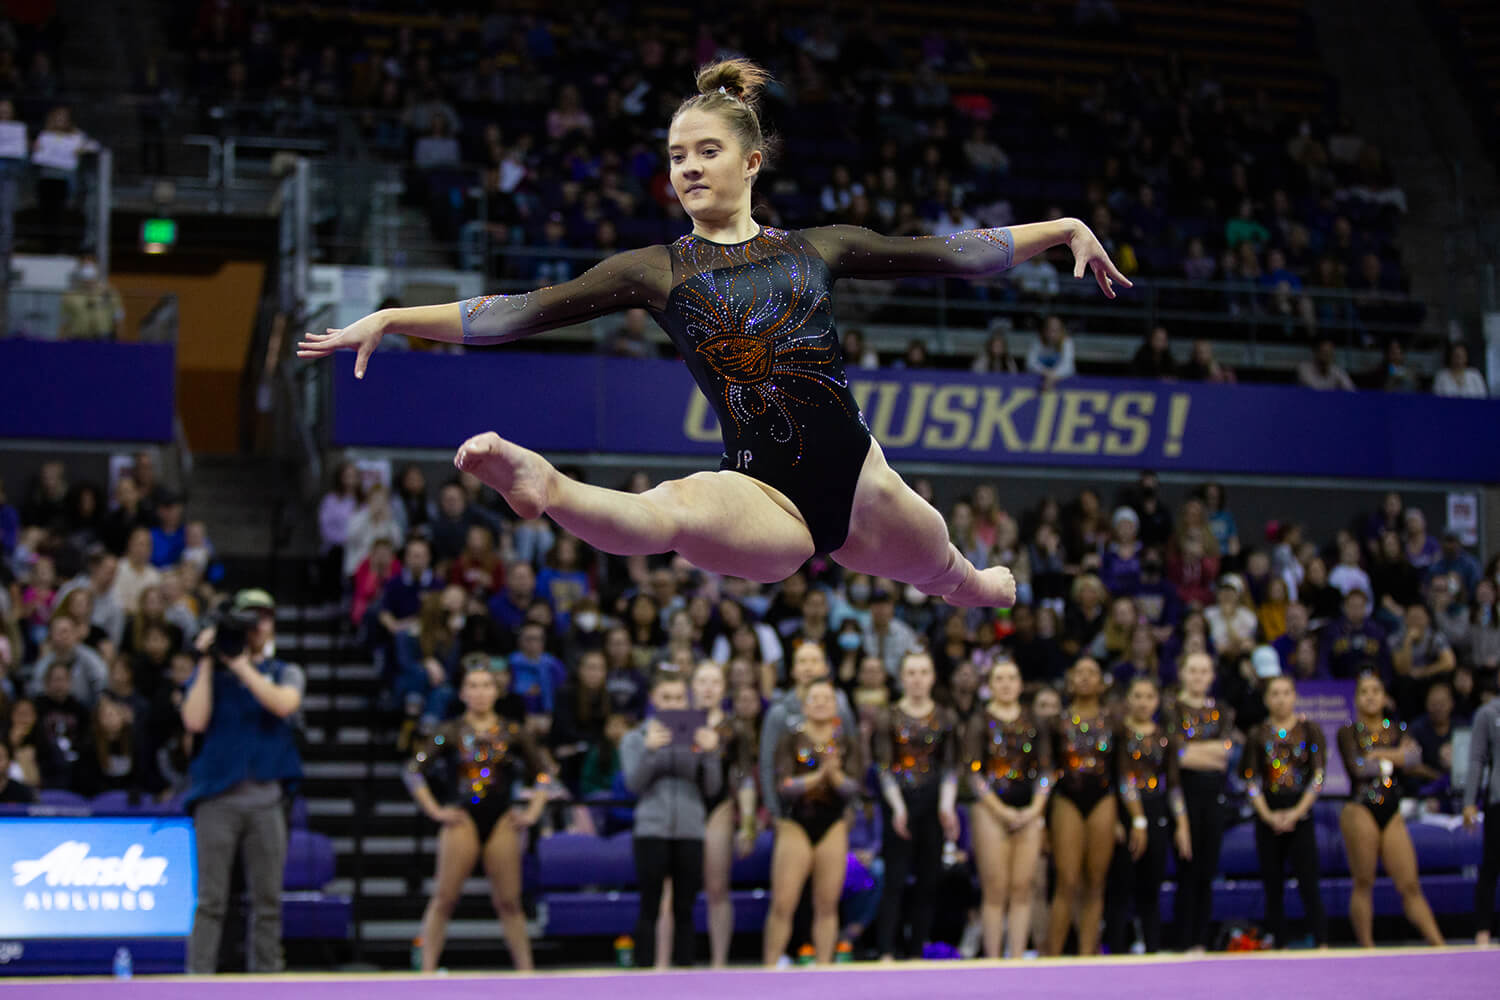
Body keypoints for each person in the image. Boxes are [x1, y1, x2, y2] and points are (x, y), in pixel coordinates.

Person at [301, 59, 1130, 612]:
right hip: (763, 492)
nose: (689, 168)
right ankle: (544, 489)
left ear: (752, 162)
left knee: (951, 574)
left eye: (706, 152)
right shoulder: (659, 270)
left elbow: (949, 255)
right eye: (675, 157)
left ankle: (985, 589)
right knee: (673, 510)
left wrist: (1060, 227)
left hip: (862, 478)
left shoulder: (819, 248)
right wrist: (395, 316)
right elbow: (516, 309)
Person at [179, 594, 306, 974]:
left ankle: (266, 979)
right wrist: (207, 661)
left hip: (266, 800)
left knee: (267, 900)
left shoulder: (284, 670)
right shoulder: (210, 676)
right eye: (247, 621)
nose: (255, 628)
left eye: (262, 619)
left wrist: (241, 665)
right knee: (210, 900)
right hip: (216, 799)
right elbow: (194, 721)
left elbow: (284, 704)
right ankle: (197, 979)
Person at [404, 664, 550, 971]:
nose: (480, 692)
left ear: (496, 691)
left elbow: (544, 773)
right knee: (444, 898)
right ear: (463, 692)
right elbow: (414, 770)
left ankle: (528, 974)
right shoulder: (449, 732)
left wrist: (534, 811)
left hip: (502, 820)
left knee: (509, 902)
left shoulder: (514, 732)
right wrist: (434, 810)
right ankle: (425, 973)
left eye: (486, 685)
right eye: (473, 685)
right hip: (462, 818)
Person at [1336, 673, 1446, 948]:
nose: (1371, 696)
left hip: (1392, 807)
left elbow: (1414, 759)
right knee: (1364, 880)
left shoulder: (1397, 728)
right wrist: (1395, 757)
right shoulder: (1347, 731)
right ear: (1356, 699)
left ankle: (1439, 944)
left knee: (1409, 884)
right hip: (1360, 807)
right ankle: (1368, 947)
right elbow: (1359, 768)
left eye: (1376, 690)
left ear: (1385, 697)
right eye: (1364, 691)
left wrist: (1379, 755)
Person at [621, 670, 722, 968]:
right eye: (666, 698)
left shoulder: (699, 735)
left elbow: (712, 787)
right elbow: (633, 785)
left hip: (690, 828)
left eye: (679, 698)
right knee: (649, 904)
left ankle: (685, 975)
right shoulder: (635, 738)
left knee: (685, 907)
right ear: (653, 699)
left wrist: (712, 754)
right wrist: (650, 751)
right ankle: (643, 974)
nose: (673, 704)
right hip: (651, 828)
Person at [762, 677, 862, 965]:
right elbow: (784, 785)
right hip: (795, 822)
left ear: (835, 706)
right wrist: (820, 776)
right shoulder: (790, 739)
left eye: (826, 699)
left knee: (827, 905)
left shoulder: (847, 742)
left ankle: (824, 969)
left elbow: (853, 789)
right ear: (804, 706)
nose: (820, 703)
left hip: (832, 823)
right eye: (814, 699)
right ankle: (769, 967)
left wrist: (836, 776)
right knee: (783, 903)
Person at [873, 651, 960, 960]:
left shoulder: (946, 717)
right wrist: (897, 807)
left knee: (928, 881)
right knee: (894, 880)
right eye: (911, 672)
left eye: (923, 672)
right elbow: (884, 767)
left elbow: (951, 767)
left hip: (933, 803)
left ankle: (917, 949)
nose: (918, 679)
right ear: (902, 677)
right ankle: (886, 950)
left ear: (933, 677)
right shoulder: (888, 716)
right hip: (899, 801)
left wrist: (947, 806)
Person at [967, 658, 1051, 958]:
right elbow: (974, 772)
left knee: (1022, 886)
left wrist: (1035, 809)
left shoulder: (1034, 722)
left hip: (1028, 807)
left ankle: (1016, 957)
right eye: (999, 679)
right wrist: (1000, 810)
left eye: (1011, 678)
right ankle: (992, 959)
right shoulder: (980, 721)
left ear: (1019, 684)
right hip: (991, 807)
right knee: (995, 888)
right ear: (989, 686)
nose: (1005, 684)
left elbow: (1045, 770)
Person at [1243, 675, 1327, 949]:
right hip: (1268, 809)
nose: (1280, 699)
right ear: (1267, 699)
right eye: (1275, 694)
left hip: (1300, 809)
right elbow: (1251, 779)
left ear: (1295, 696)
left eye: (1286, 692)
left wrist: (1297, 812)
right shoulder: (1258, 734)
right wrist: (1267, 815)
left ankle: (1321, 941)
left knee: (1308, 880)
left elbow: (1318, 776)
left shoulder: (1310, 729)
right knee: (1272, 883)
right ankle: (1279, 942)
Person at [1109, 677, 1189, 955]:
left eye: (1149, 697)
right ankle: (1117, 952)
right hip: (1124, 811)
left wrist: (1182, 824)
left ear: (1157, 701)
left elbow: (1174, 785)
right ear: (1128, 699)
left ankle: (1152, 950)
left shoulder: (1165, 737)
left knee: (1151, 887)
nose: (1143, 702)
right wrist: (1128, 821)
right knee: (1120, 887)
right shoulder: (1119, 734)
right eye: (1137, 696)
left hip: (1156, 811)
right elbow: (1121, 777)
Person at [1046, 657, 1117, 956]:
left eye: (1092, 673)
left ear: (1102, 683)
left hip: (1103, 797)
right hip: (1067, 797)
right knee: (1067, 881)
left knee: (1095, 882)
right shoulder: (1057, 722)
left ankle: (1089, 957)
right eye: (1080, 673)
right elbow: (1048, 771)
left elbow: (1121, 770)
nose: (1086, 678)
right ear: (1071, 680)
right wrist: (1039, 820)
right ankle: (1052, 956)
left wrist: (1134, 818)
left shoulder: (1114, 720)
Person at [1167, 651, 1235, 953]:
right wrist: (1204, 752)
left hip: (1213, 798)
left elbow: (1225, 754)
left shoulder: (1221, 710)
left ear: (1212, 676)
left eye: (1203, 671)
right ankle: (1182, 941)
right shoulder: (1172, 709)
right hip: (1183, 797)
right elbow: (1176, 756)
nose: (1197, 677)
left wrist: (1195, 752)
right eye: (1192, 670)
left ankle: (1200, 941)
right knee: (1187, 870)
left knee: (1207, 871)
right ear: (1182, 673)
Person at [1464, 692, 1500, 946]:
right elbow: (1476, 760)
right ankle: (1483, 930)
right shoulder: (1489, 713)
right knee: (1492, 864)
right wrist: (1469, 801)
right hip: (1498, 799)